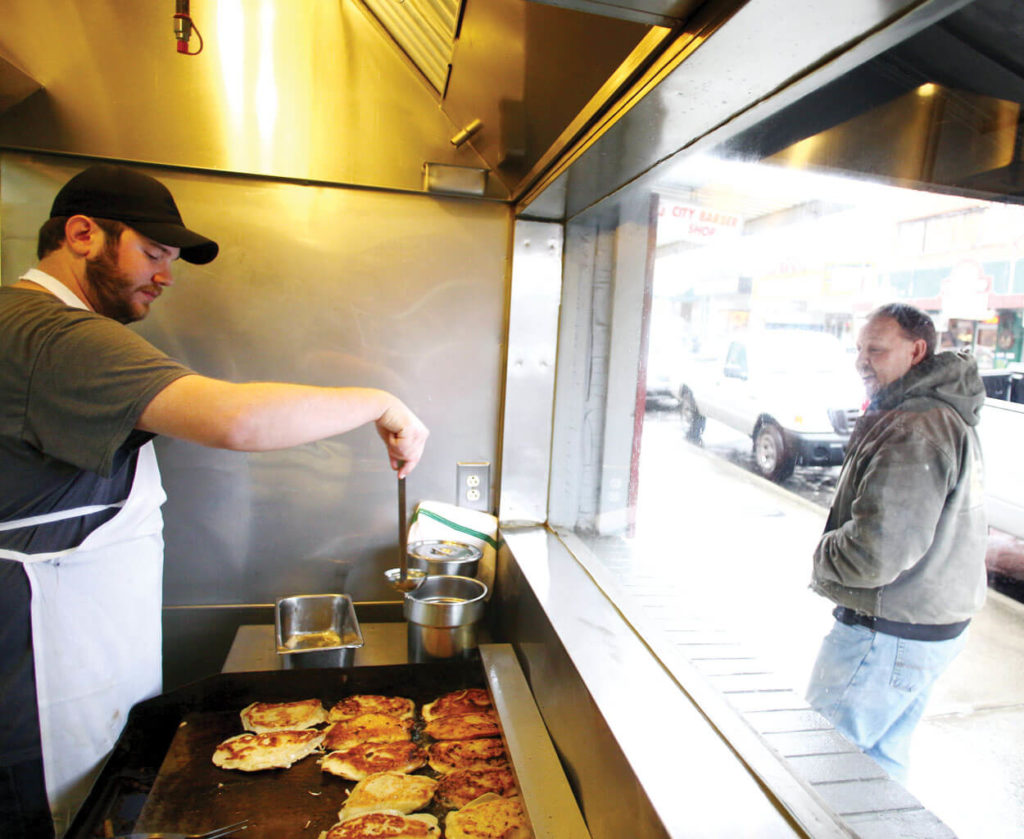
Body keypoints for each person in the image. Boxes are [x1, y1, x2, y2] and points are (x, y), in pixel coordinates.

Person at [0, 163, 429, 837]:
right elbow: (237, 420)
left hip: (62, 656)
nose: (165, 277)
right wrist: (381, 401)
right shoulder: (55, 334)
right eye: (153, 253)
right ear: (82, 234)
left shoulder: (31, 325)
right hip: (37, 679)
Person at [806, 302, 987, 783]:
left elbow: (875, 554)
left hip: (888, 633)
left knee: (818, 770)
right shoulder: (942, 412)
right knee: (877, 771)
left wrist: (821, 553)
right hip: (925, 627)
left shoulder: (915, 425)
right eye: (860, 349)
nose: (863, 361)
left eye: (877, 350)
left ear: (917, 350)